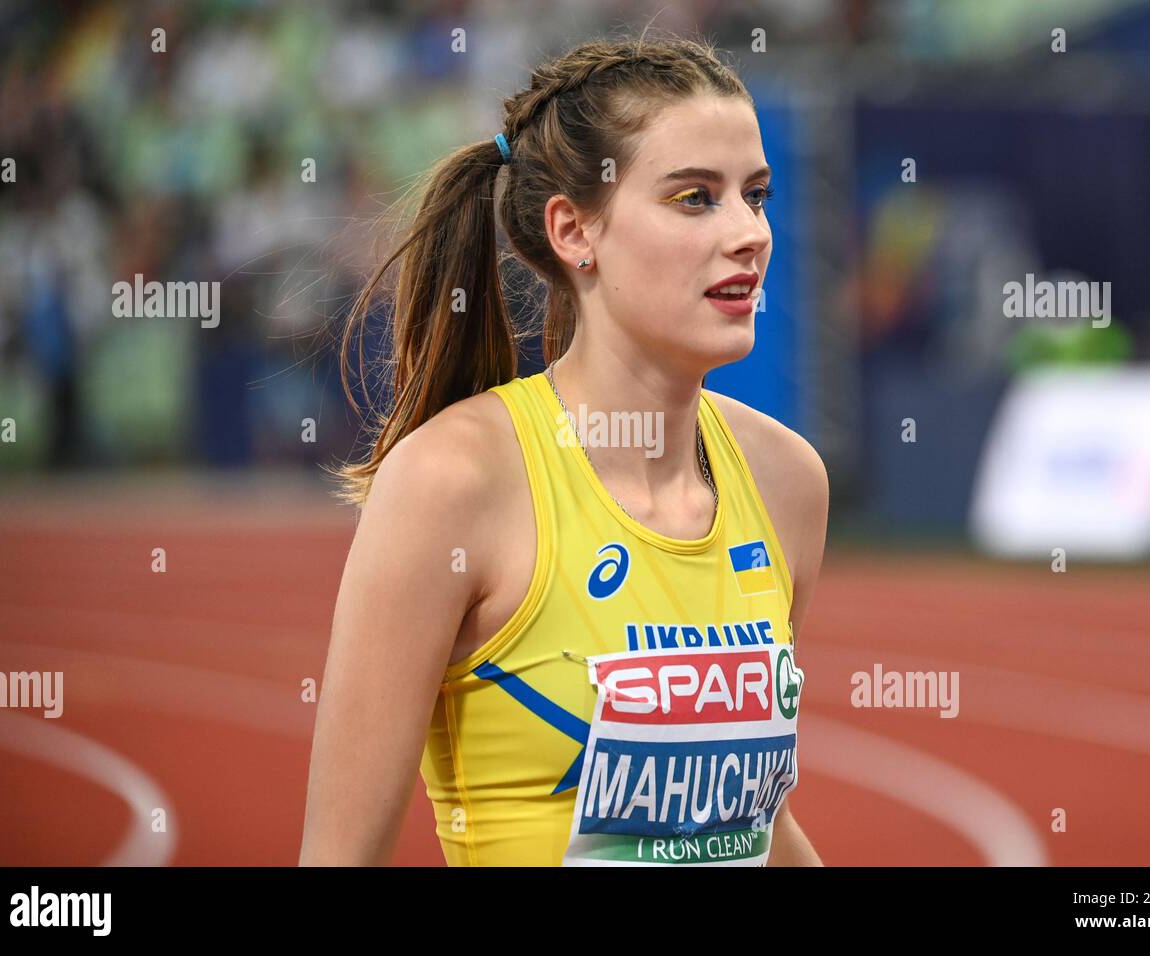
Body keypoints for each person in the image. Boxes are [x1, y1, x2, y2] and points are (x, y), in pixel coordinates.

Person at [298, 32, 829, 867]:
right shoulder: (453, 483)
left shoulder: (787, 479)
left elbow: (758, 828)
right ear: (575, 230)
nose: (749, 233)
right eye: (695, 198)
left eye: (755, 196)